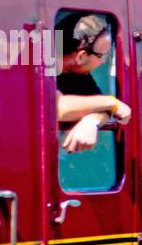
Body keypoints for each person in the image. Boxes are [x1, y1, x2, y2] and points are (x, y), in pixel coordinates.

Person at [55, 12, 131, 153]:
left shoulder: (80, 75)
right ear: (81, 57)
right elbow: (55, 107)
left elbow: (102, 107)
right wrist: (112, 102)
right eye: (102, 56)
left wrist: (91, 121)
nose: (103, 62)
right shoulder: (40, 66)